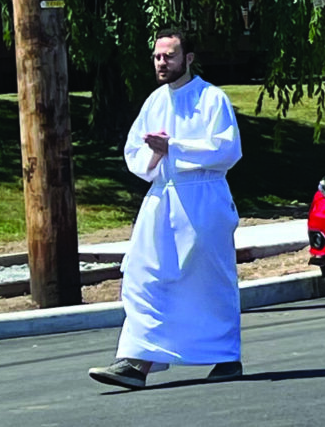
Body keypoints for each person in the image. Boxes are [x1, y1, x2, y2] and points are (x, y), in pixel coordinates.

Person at [89, 28, 244, 391]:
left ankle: (225, 355)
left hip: (202, 199)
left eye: (169, 56)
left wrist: (175, 146)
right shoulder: (155, 101)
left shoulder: (211, 98)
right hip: (163, 197)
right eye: (158, 56)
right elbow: (134, 154)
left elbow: (227, 149)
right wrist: (157, 153)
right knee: (144, 274)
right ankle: (136, 359)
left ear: (188, 58)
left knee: (208, 279)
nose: (162, 62)